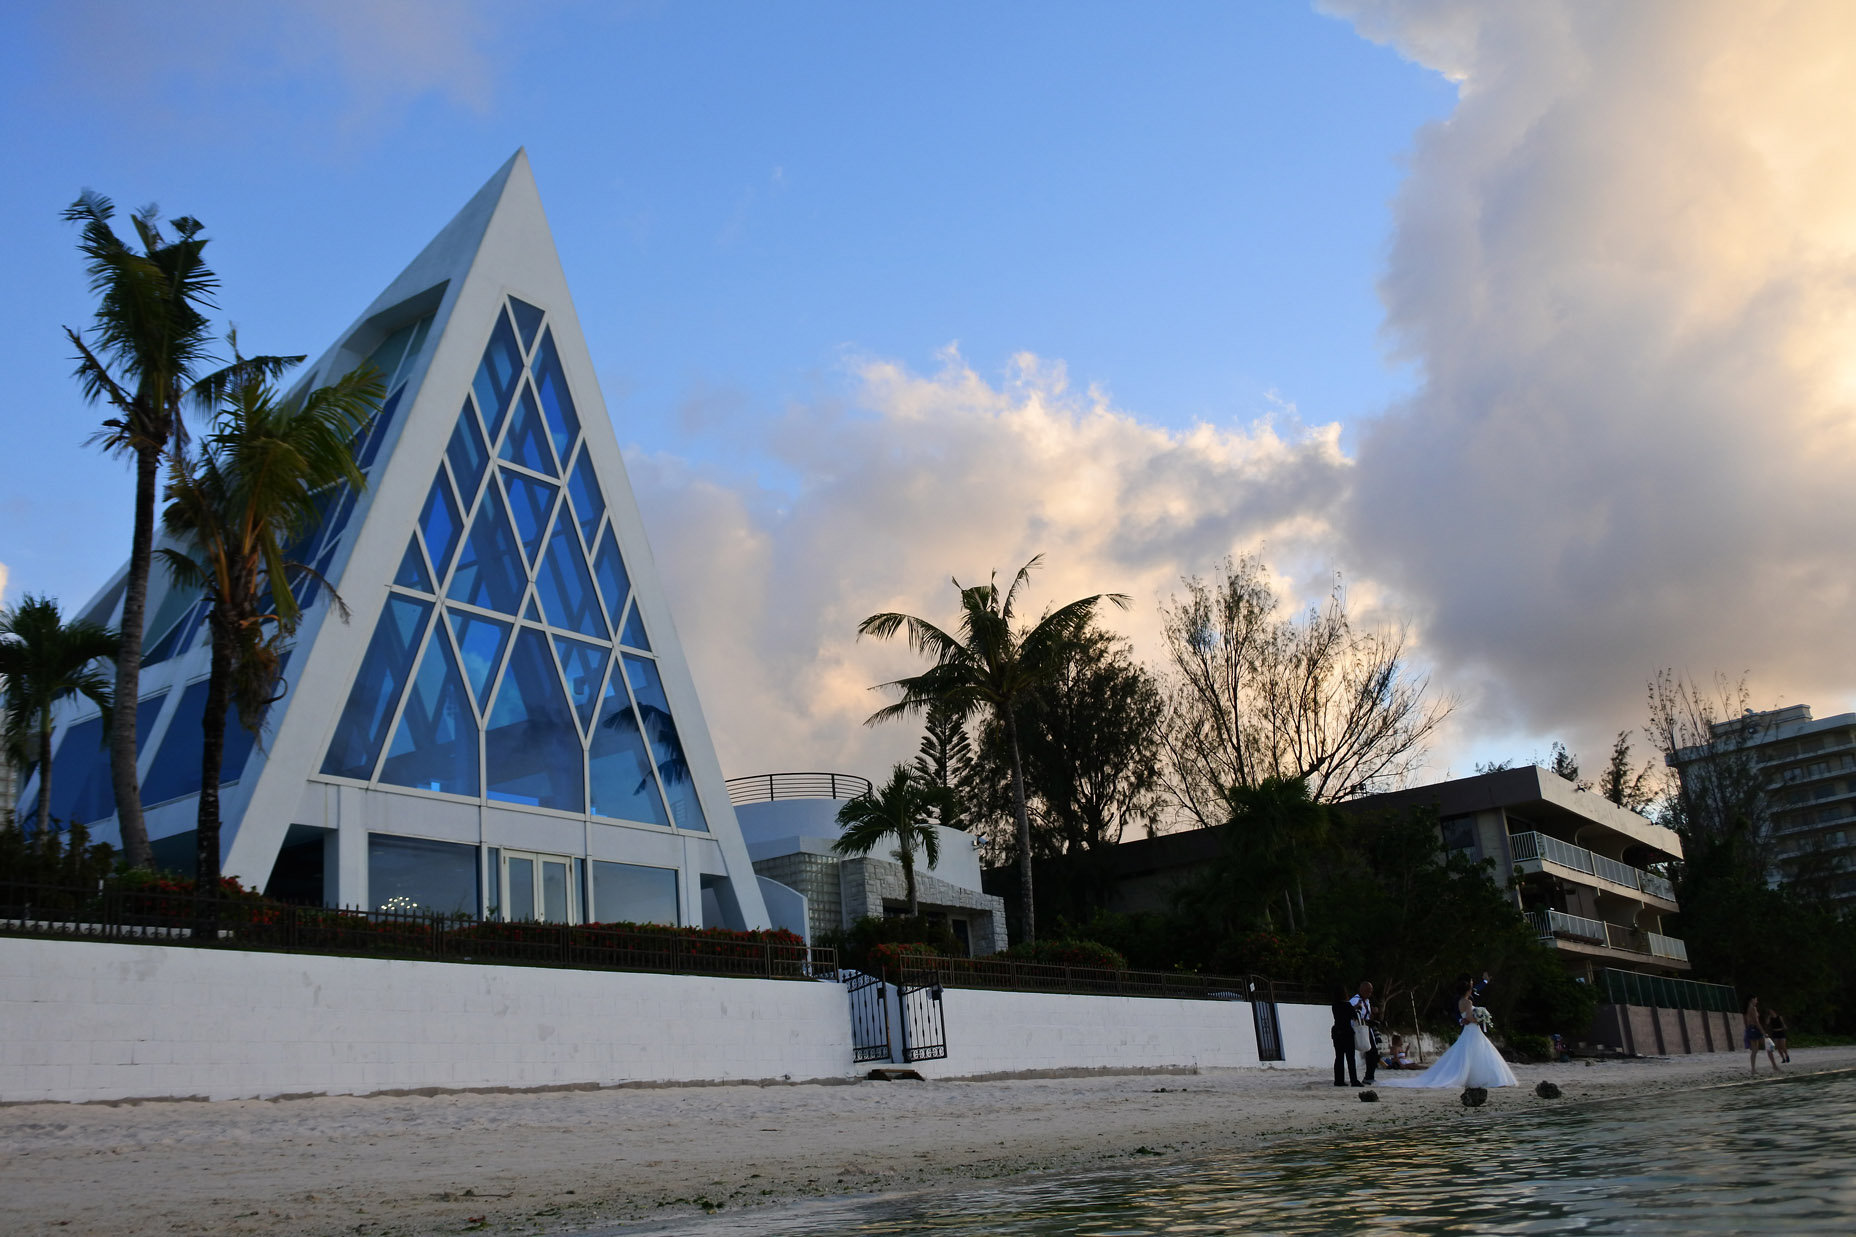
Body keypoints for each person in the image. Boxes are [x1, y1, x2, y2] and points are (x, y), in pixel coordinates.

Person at [1379, 974, 1519, 1090]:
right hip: (1472, 1029)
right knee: (1480, 1052)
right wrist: (1481, 1020)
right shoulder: (1468, 1002)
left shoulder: (1460, 1001)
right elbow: (1469, 1018)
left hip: (1468, 1030)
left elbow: (1464, 1015)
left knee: (1470, 1052)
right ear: (1468, 990)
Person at [1349, 981, 1380, 1084]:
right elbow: (1350, 1014)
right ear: (1361, 990)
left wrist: (1373, 1013)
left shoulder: (1367, 1001)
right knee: (1369, 1051)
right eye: (1367, 991)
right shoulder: (1355, 1000)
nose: (1369, 994)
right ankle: (1366, 1076)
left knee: (1373, 1051)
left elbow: (1367, 1016)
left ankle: (1369, 1075)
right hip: (1358, 1029)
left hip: (1366, 1028)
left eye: (1370, 992)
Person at [1331, 994, 1363, 1088]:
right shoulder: (1347, 1005)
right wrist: (1357, 1008)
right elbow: (1355, 1016)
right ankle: (1354, 1080)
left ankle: (1339, 1080)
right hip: (1347, 1033)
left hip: (1337, 1032)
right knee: (1350, 1058)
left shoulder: (1335, 1005)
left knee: (1339, 1057)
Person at [1745, 997, 1782, 1075]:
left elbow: (1749, 1021)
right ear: (1752, 999)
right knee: (1769, 1046)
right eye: (1756, 999)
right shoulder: (1753, 1008)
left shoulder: (1749, 1008)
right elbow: (1756, 1022)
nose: (1757, 1001)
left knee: (1755, 1050)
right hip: (1755, 1029)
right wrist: (1763, 1032)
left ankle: (1753, 1069)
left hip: (1751, 1029)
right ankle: (1774, 1066)